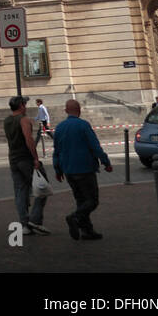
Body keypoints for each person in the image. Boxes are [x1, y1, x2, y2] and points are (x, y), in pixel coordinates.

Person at [52, 98, 112, 240]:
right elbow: (95, 146)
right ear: (79, 111)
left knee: (80, 200)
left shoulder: (59, 127)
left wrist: (57, 170)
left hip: (68, 170)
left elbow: (57, 151)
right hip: (85, 169)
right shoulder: (83, 125)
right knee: (92, 200)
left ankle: (87, 230)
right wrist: (106, 162)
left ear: (66, 111)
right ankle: (75, 217)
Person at [4, 96, 49, 235]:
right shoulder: (24, 120)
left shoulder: (7, 121)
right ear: (22, 106)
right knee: (43, 187)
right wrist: (35, 158)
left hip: (13, 159)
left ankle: (24, 224)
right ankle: (35, 220)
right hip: (26, 159)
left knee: (20, 191)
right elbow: (28, 139)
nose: (26, 106)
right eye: (25, 103)